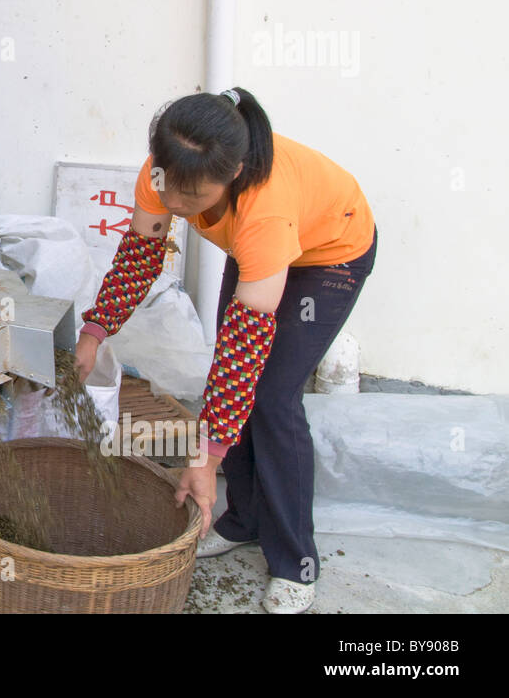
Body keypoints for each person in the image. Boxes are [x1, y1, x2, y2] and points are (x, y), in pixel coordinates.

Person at [74, 88, 376, 613]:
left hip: (330, 254)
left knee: (272, 396)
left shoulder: (266, 212)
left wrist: (204, 458)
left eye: (193, 199)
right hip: (259, 252)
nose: (174, 206)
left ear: (234, 173)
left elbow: (244, 354)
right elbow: (141, 255)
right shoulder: (162, 174)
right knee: (231, 383)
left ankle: (295, 562)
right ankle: (241, 521)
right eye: (170, 188)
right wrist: (95, 330)